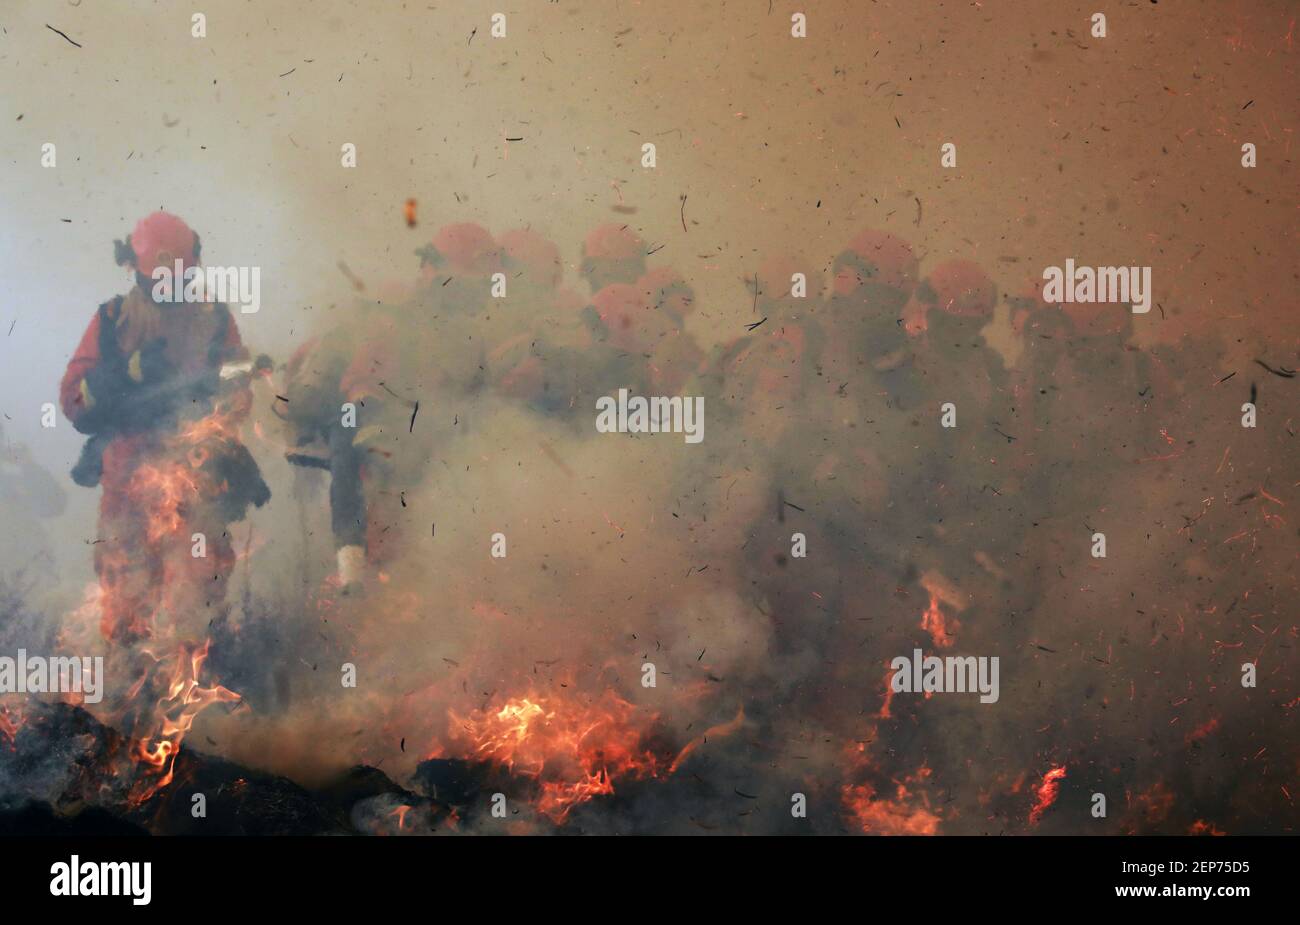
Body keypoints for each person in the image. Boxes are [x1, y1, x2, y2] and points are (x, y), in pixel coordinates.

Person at [59, 211, 268, 644]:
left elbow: (237, 385)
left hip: (196, 483)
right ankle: (125, 699)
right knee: (125, 606)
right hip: (128, 485)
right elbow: (74, 401)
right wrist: (126, 373)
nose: (170, 289)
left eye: (179, 278)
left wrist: (221, 403)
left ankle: (195, 689)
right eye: (160, 279)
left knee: (200, 595)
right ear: (136, 271)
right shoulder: (113, 319)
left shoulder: (214, 319)